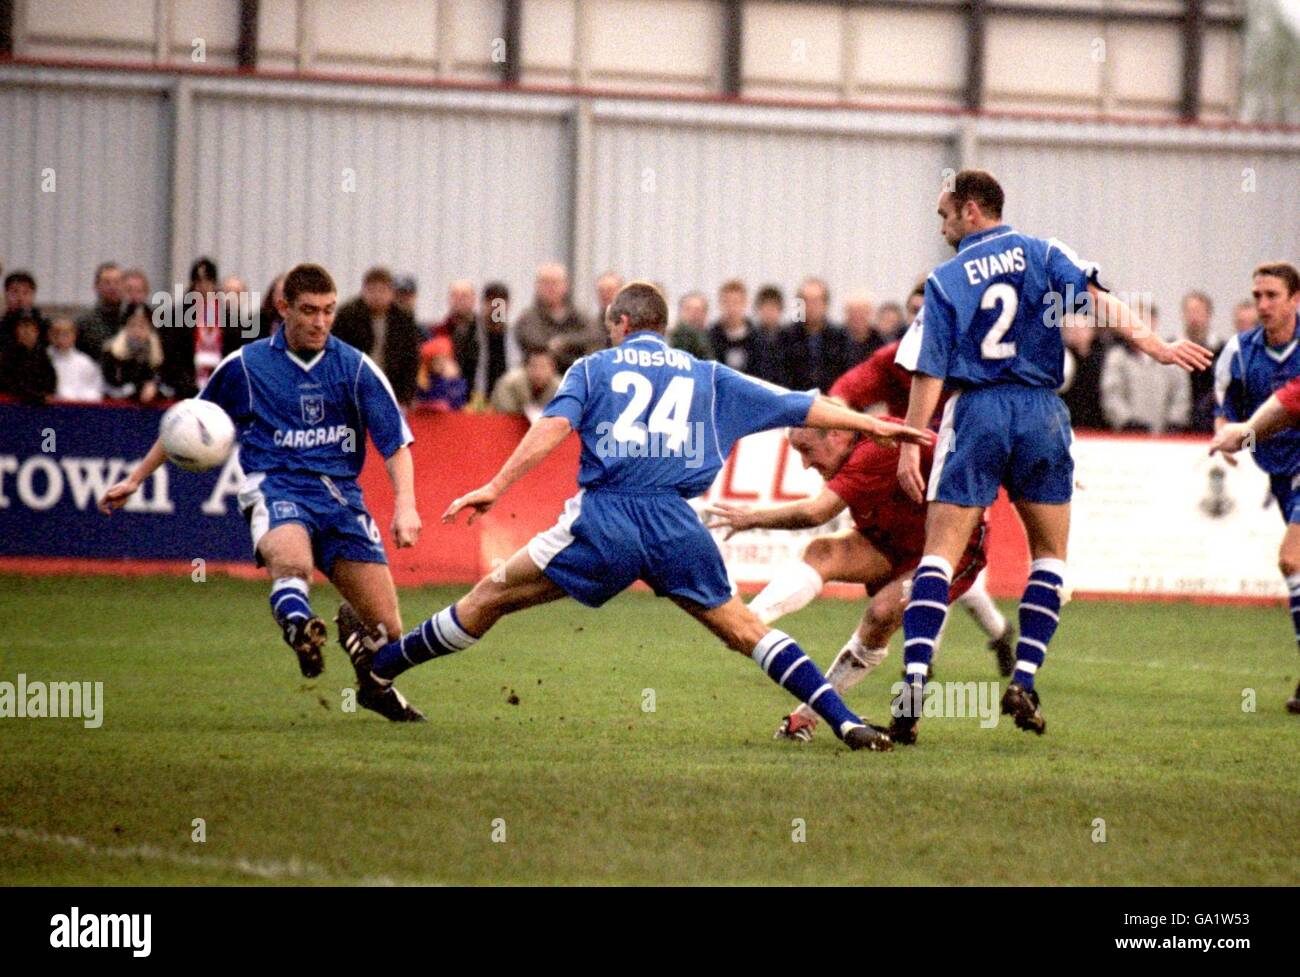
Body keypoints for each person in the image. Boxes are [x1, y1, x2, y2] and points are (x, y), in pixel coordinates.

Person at [336, 281, 931, 752]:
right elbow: (804, 405)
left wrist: (496, 483)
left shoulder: (593, 370)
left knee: (492, 595)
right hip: (676, 526)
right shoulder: (709, 375)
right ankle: (845, 720)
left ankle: (380, 667)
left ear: (618, 325)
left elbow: (550, 429)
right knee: (747, 631)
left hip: (606, 520)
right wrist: (878, 426)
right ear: (663, 327)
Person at [892, 169, 1211, 743]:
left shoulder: (944, 281)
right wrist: (1156, 346)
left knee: (938, 556)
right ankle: (1025, 678)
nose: (941, 228)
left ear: (970, 211)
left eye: (944, 215)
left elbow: (930, 368)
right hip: (1041, 411)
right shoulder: (1043, 252)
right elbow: (1095, 303)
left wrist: (911, 442)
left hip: (977, 410)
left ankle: (914, 680)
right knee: (1050, 557)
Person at [99, 264, 424, 722]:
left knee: (390, 633)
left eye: (328, 311)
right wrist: (136, 479)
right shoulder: (246, 367)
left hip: (341, 499)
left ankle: (371, 683)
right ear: (283, 307)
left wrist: (405, 506)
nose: (320, 322)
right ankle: (299, 629)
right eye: (309, 311)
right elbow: (187, 425)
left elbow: (395, 442)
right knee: (291, 563)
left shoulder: (355, 368)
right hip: (276, 485)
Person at [706, 412, 1013, 743]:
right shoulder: (858, 437)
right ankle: (747, 621)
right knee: (823, 552)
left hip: (954, 545)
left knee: (882, 614)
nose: (806, 464)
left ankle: (807, 716)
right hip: (894, 537)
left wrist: (753, 518)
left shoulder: (874, 451)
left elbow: (816, 512)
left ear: (837, 434)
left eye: (807, 450)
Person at [1207, 262, 1300, 714]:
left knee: (1291, 559)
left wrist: (1241, 434)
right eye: (1257, 295)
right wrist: (1225, 432)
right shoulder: (1239, 353)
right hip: (1282, 473)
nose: (1262, 304)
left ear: (1295, 299)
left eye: (1273, 295)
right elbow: (1225, 404)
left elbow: (1283, 408)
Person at [332, 267, 422, 407]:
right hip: (354, 387)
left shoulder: (403, 319)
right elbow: (336, 354)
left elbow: (411, 361)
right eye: (372, 290)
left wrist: (406, 396)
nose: (377, 296)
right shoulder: (347, 316)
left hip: (391, 388)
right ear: (363, 291)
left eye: (382, 291)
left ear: (392, 293)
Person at [1099, 307, 1190, 433]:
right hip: (1127, 437)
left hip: (1167, 438)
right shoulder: (1117, 357)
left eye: (1143, 319)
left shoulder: (1171, 355)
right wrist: (1127, 422)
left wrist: (1174, 422)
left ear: (1154, 321)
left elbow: (1181, 395)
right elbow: (1112, 395)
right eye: (1133, 320)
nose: (1138, 325)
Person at [514, 263, 603, 371]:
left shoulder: (579, 314)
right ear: (537, 286)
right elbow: (536, 344)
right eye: (545, 283)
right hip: (540, 377)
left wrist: (564, 342)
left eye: (555, 283)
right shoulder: (528, 318)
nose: (551, 288)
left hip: (577, 371)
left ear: (565, 285)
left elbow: (594, 335)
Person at [773, 278, 854, 392]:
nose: (811, 307)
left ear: (825, 304)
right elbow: (779, 376)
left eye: (816, 301)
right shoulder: (785, 337)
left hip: (830, 402)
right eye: (806, 301)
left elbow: (846, 374)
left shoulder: (840, 337)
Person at [102, 303, 167, 403]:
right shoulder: (111, 352)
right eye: (132, 325)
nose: (137, 331)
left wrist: (155, 387)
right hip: (118, 408)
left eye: (142, 326)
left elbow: (166, 386)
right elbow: (110, 387)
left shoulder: (158, 353)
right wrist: (139, 389)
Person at [709, 279, 773, 380]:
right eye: (727, 302)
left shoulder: (759, 340)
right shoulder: (710, 338)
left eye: (736, 302)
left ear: (745, 303)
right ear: (720, 304)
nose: (731, 308)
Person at [1181, 290, 1223, 433]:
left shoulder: (1222, 351)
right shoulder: (1172, 350)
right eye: (1189, 311)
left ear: (1209, 314)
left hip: (1211, 424)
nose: (1194, 317)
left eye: (1198, 311)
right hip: (1177, 425)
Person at [490, 348, 559, 422]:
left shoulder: (561, 388)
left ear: (553, 369)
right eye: (534, 366)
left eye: (543, 367)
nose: (538, 372)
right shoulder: (509, 384)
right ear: (525, 367)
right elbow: (504, 413)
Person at [0, 313, 57, 403]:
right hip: (13, 406)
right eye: (22, 328)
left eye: (31, 328)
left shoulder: (42, 355)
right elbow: (11, 384)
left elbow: (50, 379)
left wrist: (46, 395)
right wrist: (38, 397)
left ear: (37, 332)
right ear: (16, 331)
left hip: (40, 406)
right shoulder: (9, 355)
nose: (27, 332)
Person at [75, 262, 124, 362]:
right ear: (96, 286)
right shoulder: (84, 323)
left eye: (117, 282)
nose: (113, 287)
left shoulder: (132, 320)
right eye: (107, 282)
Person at [47, 318, 104, 402]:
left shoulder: (85, 362)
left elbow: (95, 389)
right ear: (49, 335)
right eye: (56, 333)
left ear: (74, 335)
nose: (61, 337)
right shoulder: (43, 358)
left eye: (66, 334)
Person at [669, 292, 713, 360]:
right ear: (680, 312)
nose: (693, 314)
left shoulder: (714, 338)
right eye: (688, 309)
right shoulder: (672, 338)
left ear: (705, 313)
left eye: (698, 310)